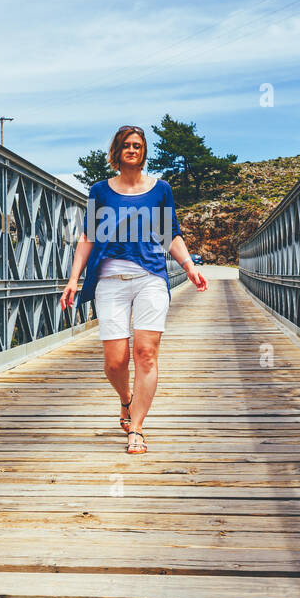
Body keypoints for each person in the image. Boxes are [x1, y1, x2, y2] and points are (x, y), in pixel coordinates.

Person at [60, 125, 209, 453]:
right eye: (126, 145)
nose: (132, 150)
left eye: (138, 145)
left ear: (144, 151)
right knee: (115, 361)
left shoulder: (161, 190)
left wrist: (189, 267)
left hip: (150, 278)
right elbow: (88, 236)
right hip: (109, 280)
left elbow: (171, 233)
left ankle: (137, 428)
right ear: (117, 151)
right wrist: (74, 279)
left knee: (145, 352)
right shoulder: (100, 190)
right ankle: (126, 399)